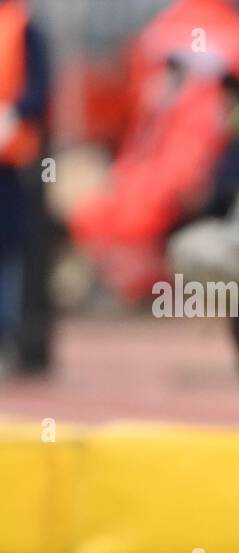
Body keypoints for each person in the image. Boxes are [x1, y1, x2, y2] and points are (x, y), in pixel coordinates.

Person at [0, 0, 48, 373]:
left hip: (12, 165)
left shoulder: (23, 27)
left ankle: (9, 339)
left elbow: (40, 86)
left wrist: (12, 115)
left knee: (11, 251)